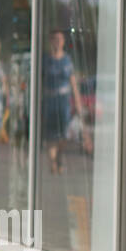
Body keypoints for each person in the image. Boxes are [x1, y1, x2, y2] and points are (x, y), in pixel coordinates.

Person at [41, 28, 84, 176]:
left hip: (64, 101)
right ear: (50, 41)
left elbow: (73, 83)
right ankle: (52, 162)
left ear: (64, 42)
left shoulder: (67, 60)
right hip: (49, 100)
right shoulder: (45, 60)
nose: (57, 42)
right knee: (51, 134)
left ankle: (59, 156)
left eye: (60, 39)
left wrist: (78, 103)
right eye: (55, 39)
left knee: (64, 134)